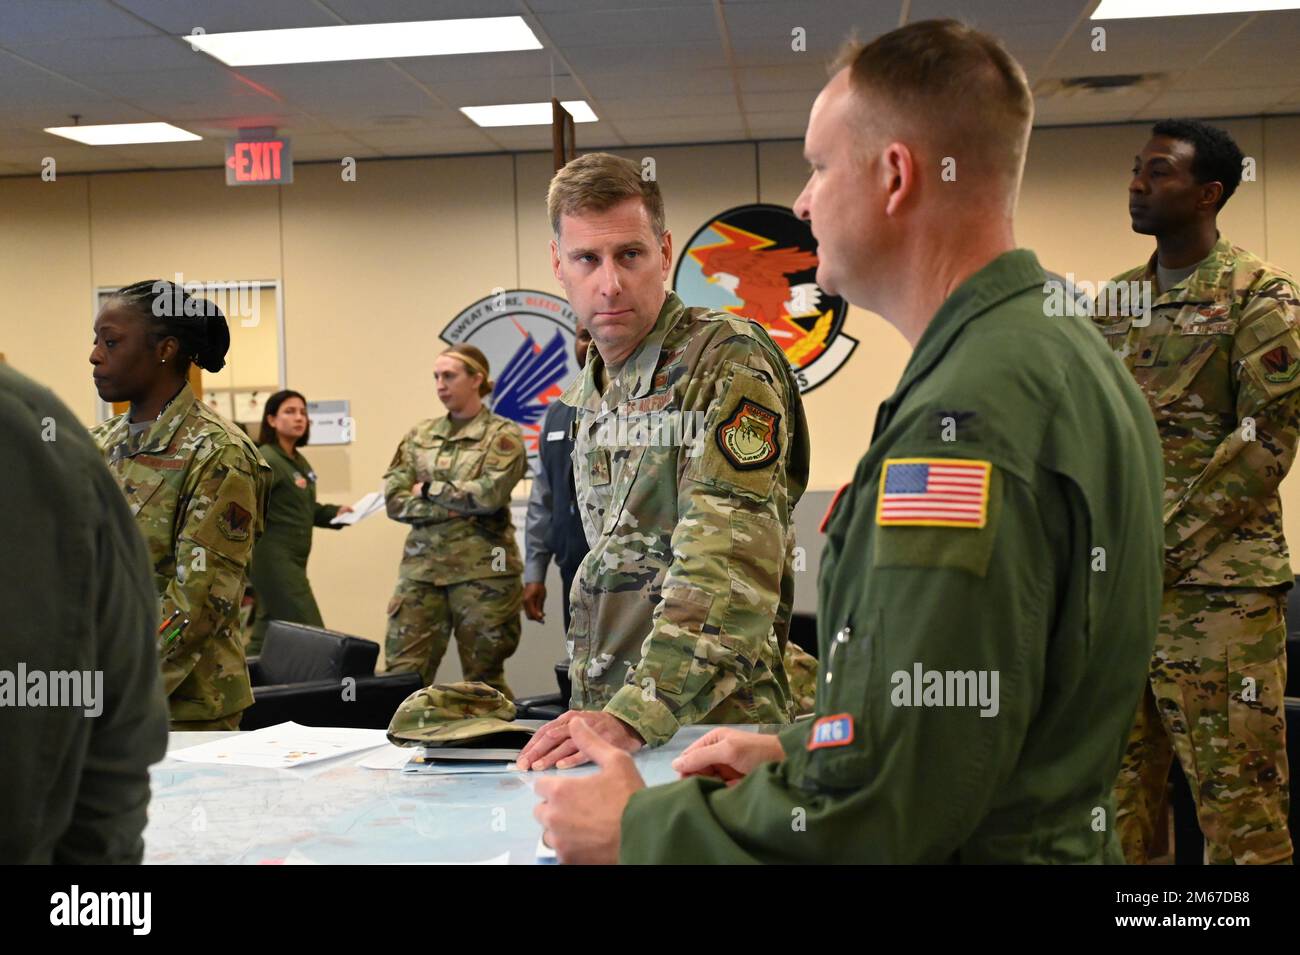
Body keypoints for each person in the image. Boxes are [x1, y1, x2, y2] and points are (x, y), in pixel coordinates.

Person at [530, 19, 1164, 864]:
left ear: (896, 175)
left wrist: (640, 830)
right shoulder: (1057, 353)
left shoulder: (968, 412)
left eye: (820, 166)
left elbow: (896, 802)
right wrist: (800, 747)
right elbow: (959, 720)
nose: (801, 200)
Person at [515, 151, 811, 773]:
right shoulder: (591, 391)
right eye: (586, 260)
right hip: (613, 724)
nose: (610, 283)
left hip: (709, 729)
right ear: (557, 264)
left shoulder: (724, 360)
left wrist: (635, 713)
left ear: (665, 250)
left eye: (630, 254)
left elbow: (725, 565)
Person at [1095, 119, 1297, 865]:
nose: (1137, 185)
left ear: (1210, 192)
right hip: (1117, 599)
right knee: (1113, 808)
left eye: (1158, 172)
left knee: (1238, 807)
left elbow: (1264, 443)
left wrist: (1161, 546)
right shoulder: (1111, 303)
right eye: (1135, 170)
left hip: (1218, 600)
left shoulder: (1261, 297)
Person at [0, 363, 169, 863]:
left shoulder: (33, 437)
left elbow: (114, 728)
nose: (97, 355)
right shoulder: (87, 437)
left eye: (114, 342)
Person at [90, 279, 270, 731]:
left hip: (182, 708)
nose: (94, 355)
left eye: (111, 342)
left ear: (165, 349)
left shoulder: (218, 453)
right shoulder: (98, 445)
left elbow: (195, 606)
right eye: (95, 341)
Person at [382, 344, 527, 697]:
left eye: (449, 376)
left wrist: (427, 489)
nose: (440, 384)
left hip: (481, 575)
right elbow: (394, 500)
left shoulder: (503, 435)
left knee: (483, 681)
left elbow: (489, 495)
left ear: (477, 379)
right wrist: (455, 504)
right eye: (436, 377)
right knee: (402, 677)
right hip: (421, 573)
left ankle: (493, 750)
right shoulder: (420, 435)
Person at [246, 389, 353, 656]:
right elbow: (245, 504)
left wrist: (337, 513)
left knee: (267, 630)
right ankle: (330, 693)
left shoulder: (297, 460)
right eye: (290, 411)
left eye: (303, 412)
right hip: (273, 559)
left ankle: (248, 688)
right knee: (314, 633)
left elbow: (302, 509)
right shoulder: (267, 459)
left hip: (294, 558)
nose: (299, 418)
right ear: (271, 420)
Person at [523, 318, 593, 632]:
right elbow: (543, 499)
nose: (590, 343)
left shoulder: (651, 405)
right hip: (574, 571)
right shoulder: (558, 412)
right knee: (576, 673)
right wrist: (534, 572)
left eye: (598, 334)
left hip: (641, 581)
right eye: (583, 336)